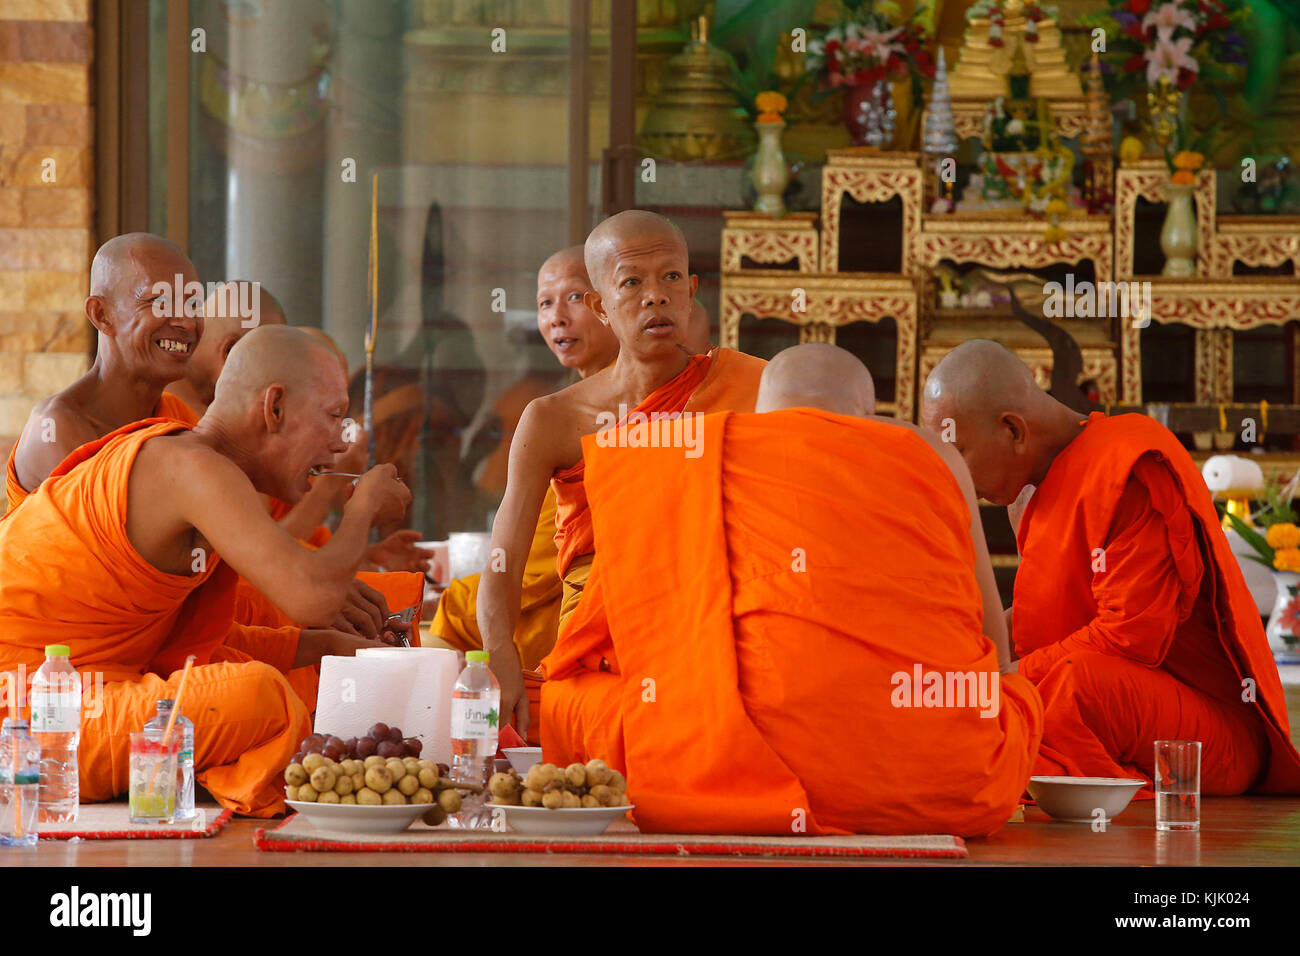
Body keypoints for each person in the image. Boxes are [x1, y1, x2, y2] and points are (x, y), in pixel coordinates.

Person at [542, 344, 1042, 835]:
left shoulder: (687, 452)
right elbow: (994, 650)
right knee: (1016, 695)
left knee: (565, 695)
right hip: (949, 780)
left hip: (726, 755)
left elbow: (608, 632)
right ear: (865, 415)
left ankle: (728, 780)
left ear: (759, 410)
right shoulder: (932, 453)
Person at [0, 326, 412, 817]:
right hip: (34, 712)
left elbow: (185, 644)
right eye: (333, 417)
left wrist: (326, 645)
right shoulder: (188, 466)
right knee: (263, 695)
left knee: (270, 668)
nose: (340, 443)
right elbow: (312, 597)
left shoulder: (201, 464)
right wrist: (361, 508)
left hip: (88, 689)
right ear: (273, 407)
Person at [920, 339, 1300, 794]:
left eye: (958, 452)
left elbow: (1129, 639)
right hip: (1114, 703)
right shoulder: (1025, 494)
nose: (953, 477)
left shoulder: (1127, 468)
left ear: (1013, 431)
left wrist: (1002, 678)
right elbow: (1047, 619)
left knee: (1074, 686)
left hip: (1209, 738)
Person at [477, 212, 766, 736]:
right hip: (597, 654)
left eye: (671, 278)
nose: (655, 296)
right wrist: (499, 649)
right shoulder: (553, 419)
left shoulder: (753, 390)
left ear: (692, 290)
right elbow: (503, 560)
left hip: (715, 639)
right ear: (600, 305)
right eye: (632, 282)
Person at [431, 246, 618, 688]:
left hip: (605, 611)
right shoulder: (549, 411)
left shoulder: (652, 407)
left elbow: (539, 567)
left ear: (610, 305)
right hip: (555, 601)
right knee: (462, 606)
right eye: (544, 303)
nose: (556, 316)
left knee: (458, 608)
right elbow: (524, 559)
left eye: (574, 297)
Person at [6, 233, 202, 511]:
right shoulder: (59, 427)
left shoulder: (175, 417)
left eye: (194, 303)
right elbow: (144, 546)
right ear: (101, 315)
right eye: (160, 302)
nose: (187, 321)